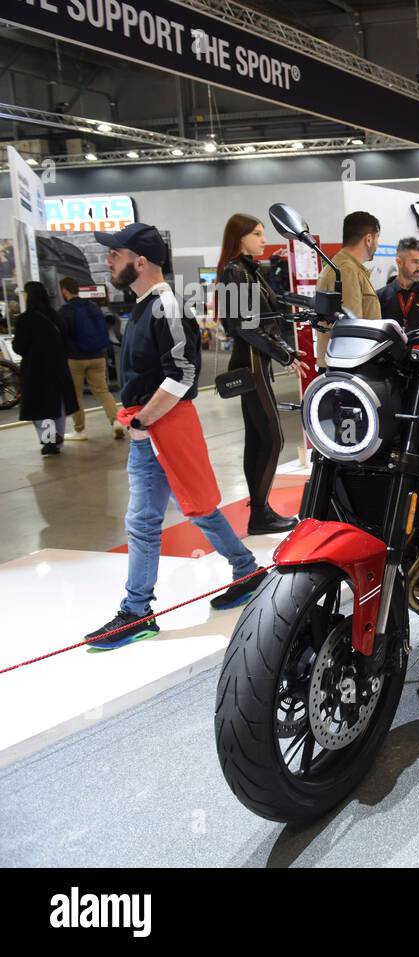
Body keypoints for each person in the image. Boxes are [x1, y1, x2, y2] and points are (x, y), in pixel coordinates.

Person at [83, 223, 265, 652]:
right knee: (185, 511)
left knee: (158, 517)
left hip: (162, 427)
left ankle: (137, 611)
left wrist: (144, 420)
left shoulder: (165, 305)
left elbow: (182, 374)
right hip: (152, 429)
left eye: (116, 254)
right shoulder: (146, 305)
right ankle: (245, 571)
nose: (109, 260)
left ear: (140, 262)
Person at [216, 213, 306, 535]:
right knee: (272, 438)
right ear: (239, 238)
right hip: (250, 362)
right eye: (257, 234)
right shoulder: (234, 271)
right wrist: (283, 354)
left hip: (256, 360)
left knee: (258, 438)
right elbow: (243, 326)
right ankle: (260, 512)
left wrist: (285, 350)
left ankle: (259, 511)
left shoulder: (250, 270)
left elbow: (266, 320)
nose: (263, 239)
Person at [13, 281, 79, 456]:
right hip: (58, 368)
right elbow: (66, 343)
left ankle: (50, 440)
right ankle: (56, 439)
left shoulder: (25, 319)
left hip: (36, 370)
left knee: (41, 406)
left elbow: (19, 347)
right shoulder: (56, 316)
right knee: (56, 405)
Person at [57, 277, 124, 441]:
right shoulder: (93, 307)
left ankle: (80, 431)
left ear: (64, 291)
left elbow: (62, 336)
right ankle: (116, 422)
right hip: (98, 356)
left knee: (76, 395)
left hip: (75, 359)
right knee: (102, 391)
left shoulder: (65, 311)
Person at [315, 211, 381, 370]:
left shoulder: (346, 268)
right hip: (348, 367)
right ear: (369, 239)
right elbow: (352, 327)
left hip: (345, 365)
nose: (377, 244)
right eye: (377, 238)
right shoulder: (346, 271)